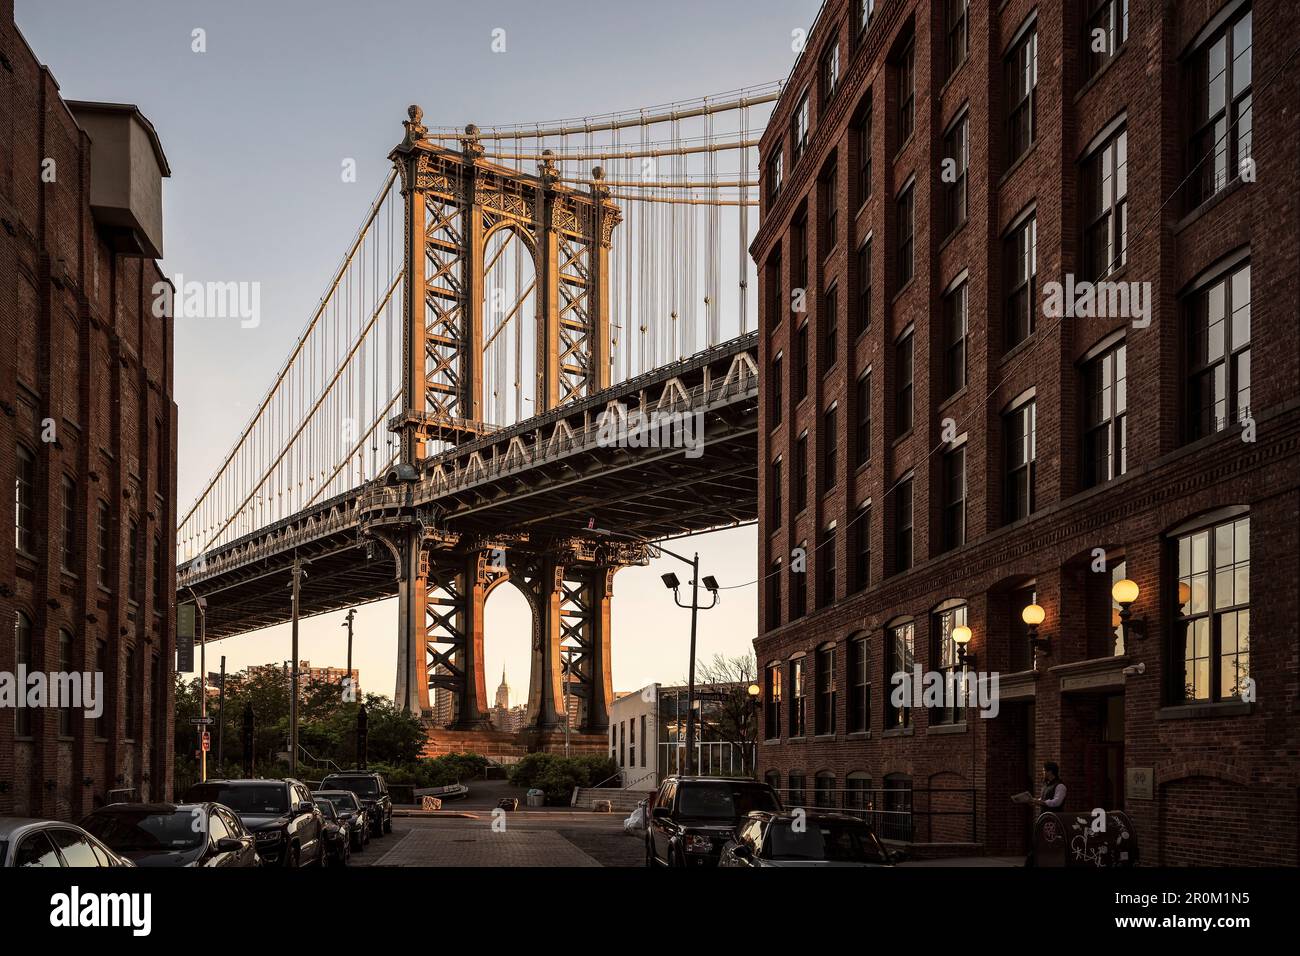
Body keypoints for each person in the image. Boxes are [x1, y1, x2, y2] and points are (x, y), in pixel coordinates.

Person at [1024, 761, 1066, 866]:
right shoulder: (1046, 785)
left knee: (1049, 845)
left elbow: (1056, 802)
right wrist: (1034, 801)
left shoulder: (1060, 786)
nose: (1043, 773)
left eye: (1044, 771)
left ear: (1050, 772)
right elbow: (1044, 799)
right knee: (1037, 844)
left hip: (1053, 821)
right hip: (1043, 819)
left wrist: (1040, 802)